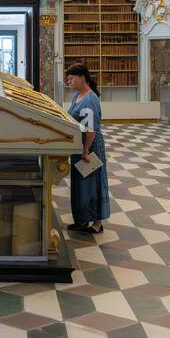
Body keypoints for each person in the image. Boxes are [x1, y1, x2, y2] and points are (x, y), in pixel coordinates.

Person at [65, 63, 109, 235]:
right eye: (68, 78)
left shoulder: (90, 100)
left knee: (94, 184)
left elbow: (90, 130)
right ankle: (82, 220)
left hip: (90, 147)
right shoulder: (78, 95)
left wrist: (85, 150)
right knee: (80, 185)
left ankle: (97, 223)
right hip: (80, 145)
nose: (69, 81)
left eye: (71, 78)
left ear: (82, 77)